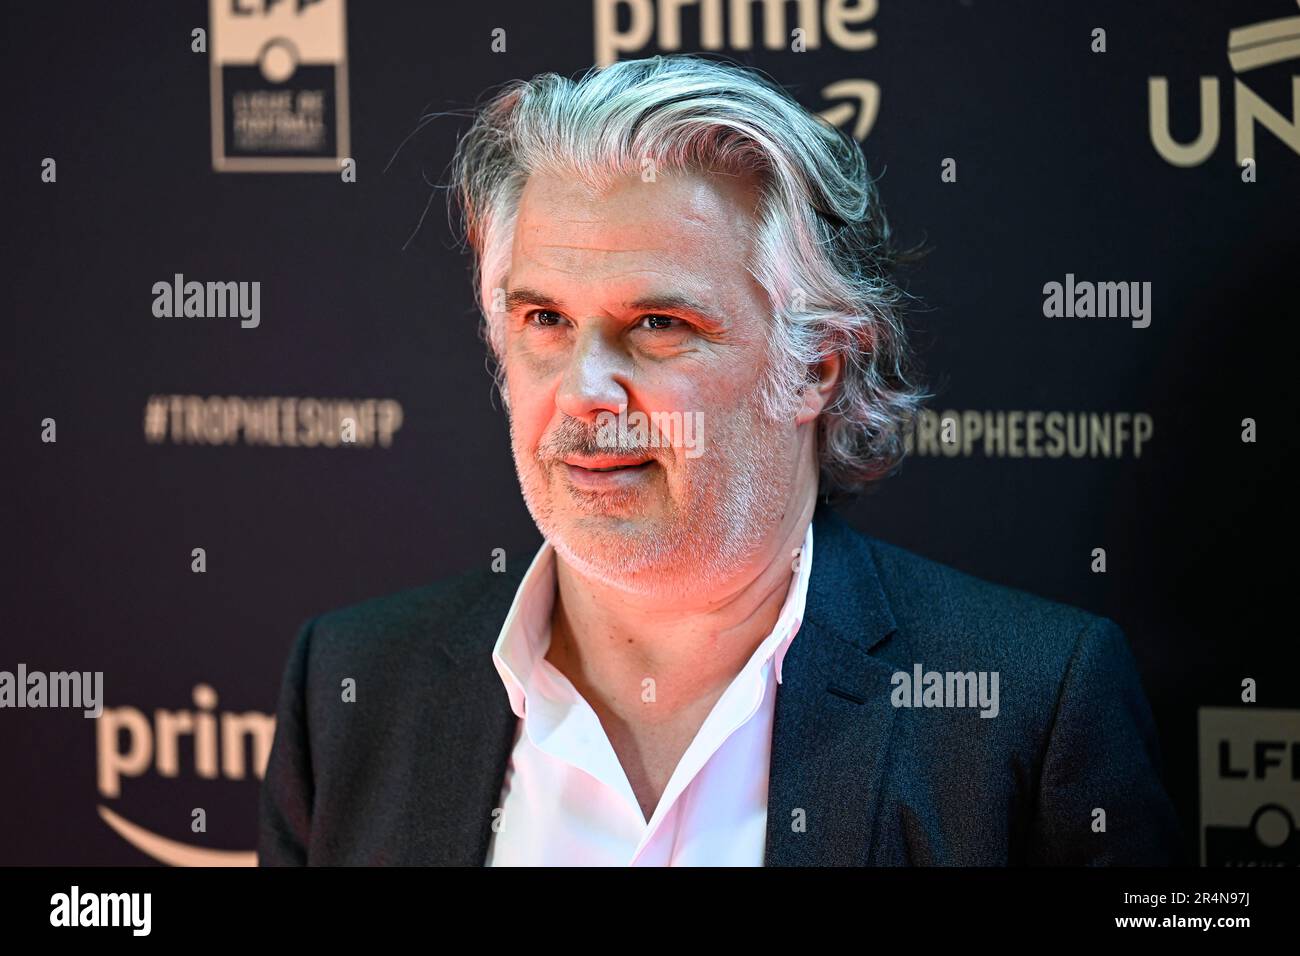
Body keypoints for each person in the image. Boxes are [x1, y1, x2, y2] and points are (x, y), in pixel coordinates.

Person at [258, 54, 1183, 866]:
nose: (585, 391)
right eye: (544, 320)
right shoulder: (351, 686)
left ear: (814, 365)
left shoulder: (1028, 711)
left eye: (659, 325)